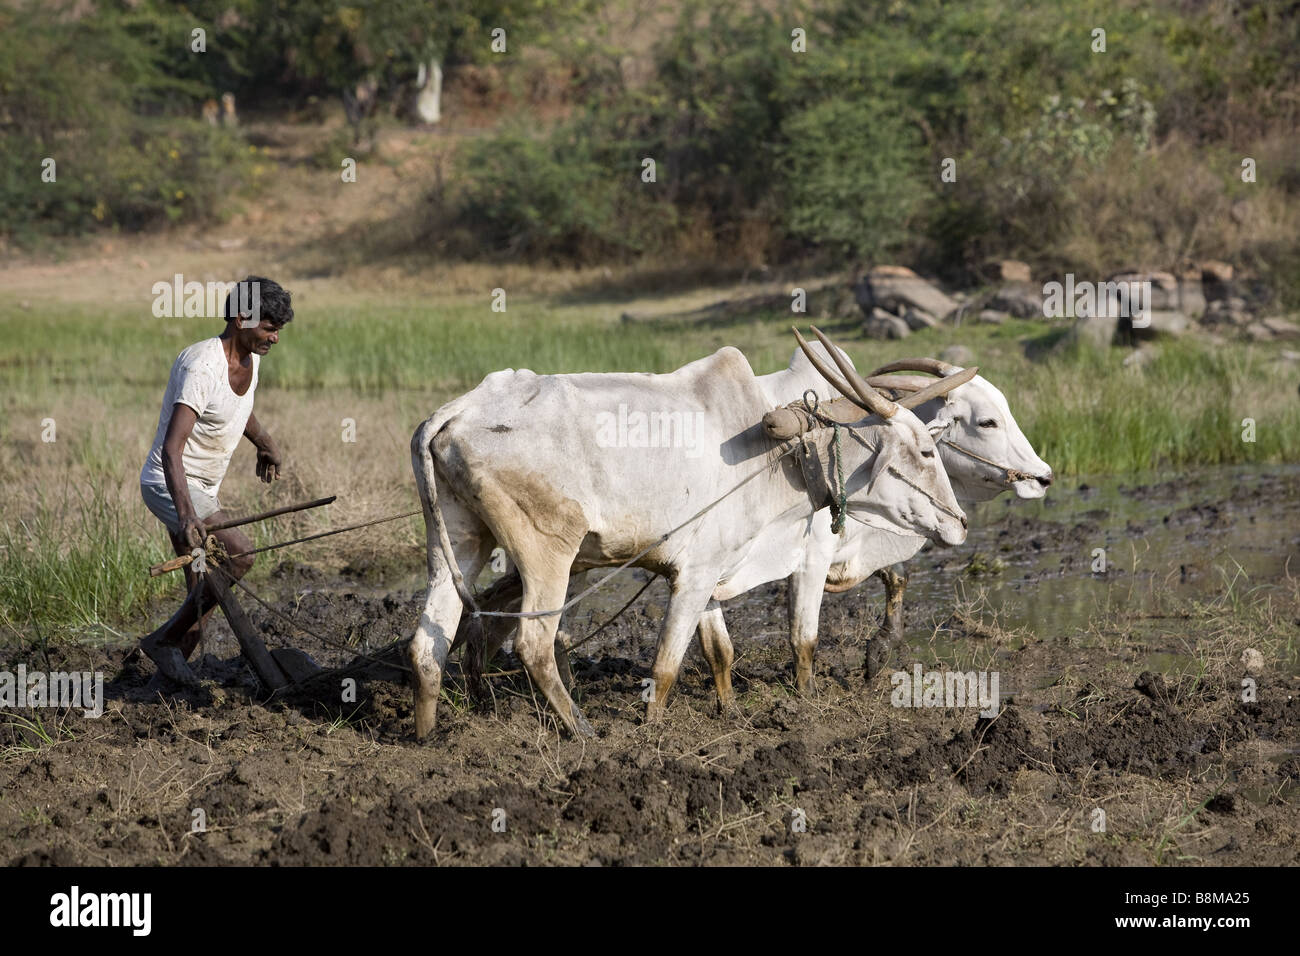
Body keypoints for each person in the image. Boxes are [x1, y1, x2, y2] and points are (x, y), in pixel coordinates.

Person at [138, 276, 292, 684]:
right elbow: (172, 449)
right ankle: (162, 642)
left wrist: (264, 442)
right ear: (242, 319)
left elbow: (234, 408)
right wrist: (187, 516)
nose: (275, 339)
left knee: (201, 593)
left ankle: (162, 686)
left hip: (202, 487)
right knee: (240, 555)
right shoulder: (201, 365)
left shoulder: (250, 357)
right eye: (269, 328)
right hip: (170, 483)